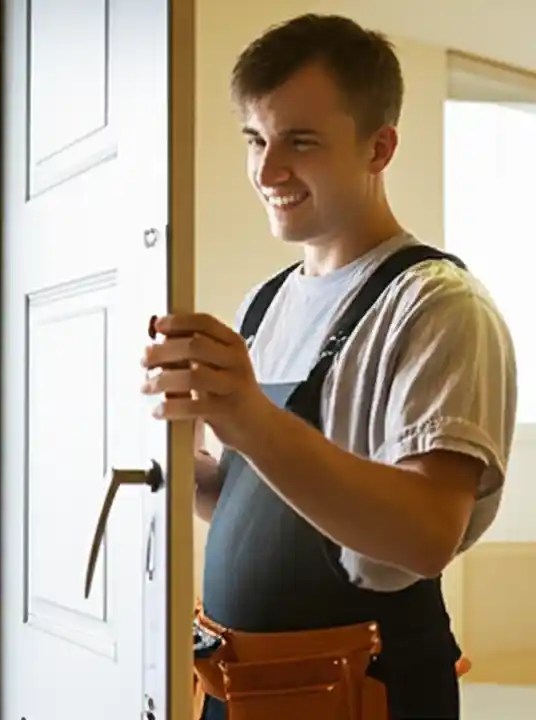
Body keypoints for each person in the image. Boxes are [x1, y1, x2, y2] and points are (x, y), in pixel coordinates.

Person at [140, 14, 517, 720]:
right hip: (234, 688)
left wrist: (249, 417)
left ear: (380, 148)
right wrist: (186, 464)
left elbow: (426, 534)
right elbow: (267, 508)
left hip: (363, 693)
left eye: (300, 142)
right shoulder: (264, 303)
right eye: (255, 139)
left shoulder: (436, 306)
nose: (266, 170)